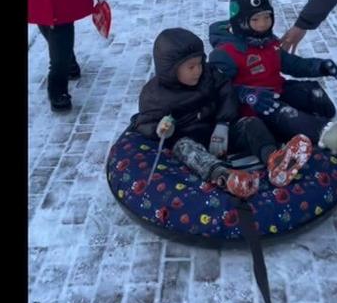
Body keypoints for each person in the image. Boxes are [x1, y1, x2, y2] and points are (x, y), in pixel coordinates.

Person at [129, 28, 314, 197]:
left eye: (199, 63)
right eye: (191, 67)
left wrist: (223, 123)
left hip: (219, 133)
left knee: (251, 124)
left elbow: (227, 93)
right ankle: (226, 177)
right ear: (171, 70)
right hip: (191, 141)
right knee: (184, 147)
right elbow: (143, 122)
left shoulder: (209, 75)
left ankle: (275, 160)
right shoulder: (155, 95)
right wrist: (161, 130)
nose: (197, 70)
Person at [208, 0, 337, 167]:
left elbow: (291, 64)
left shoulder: (268, 41)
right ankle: (336, 140)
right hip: (253, 108)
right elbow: (217, 89)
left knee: (313, 92)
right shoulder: (226, 53)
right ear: (241, 21)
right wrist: (246, 94)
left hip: (276, 91)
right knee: (286, 113)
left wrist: (319, 67)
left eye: (267, 17)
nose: (263, 24)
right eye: (255, 19)